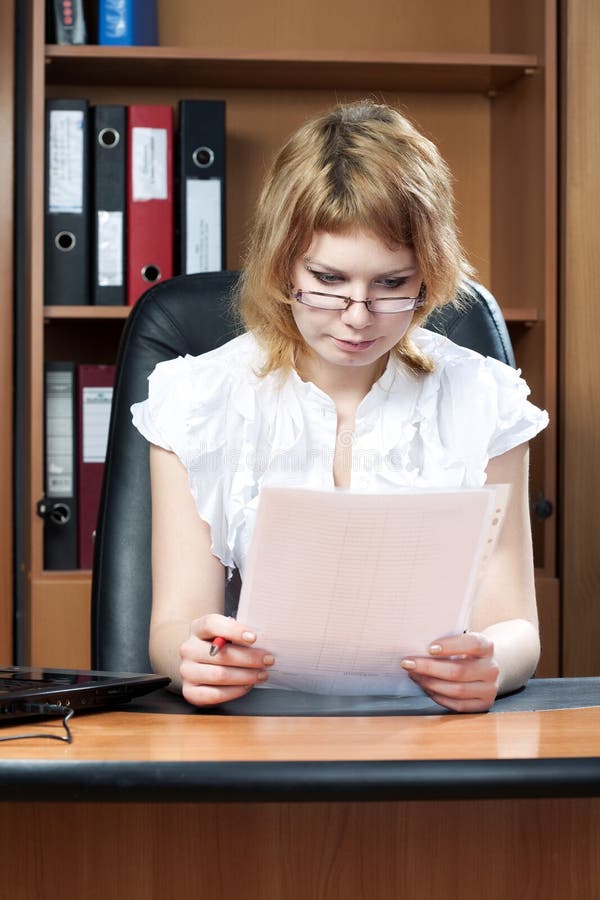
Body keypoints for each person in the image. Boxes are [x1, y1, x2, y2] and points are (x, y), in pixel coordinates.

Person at [131, 100, 548, 713]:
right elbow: (173, 628)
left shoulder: (484, 398)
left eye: (391, 284)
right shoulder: (198, 400)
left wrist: (491, 661)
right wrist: (195, 659)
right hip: (256, 729)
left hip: (434, 728)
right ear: (282, 265)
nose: (358, 317)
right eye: (328, 279)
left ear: (427, 275)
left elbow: (516, 627)